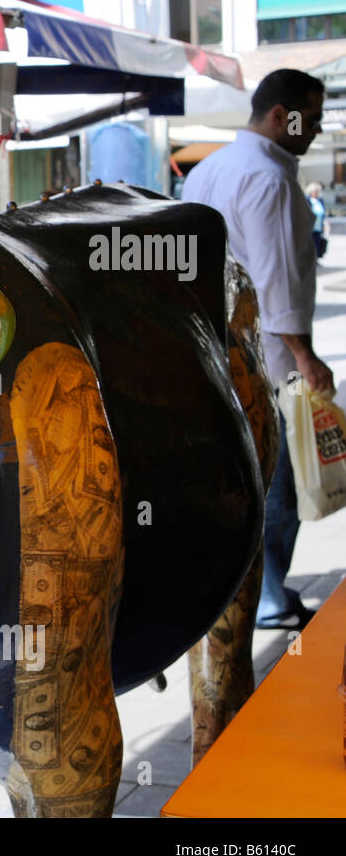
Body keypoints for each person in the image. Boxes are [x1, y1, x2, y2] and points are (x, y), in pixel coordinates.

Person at [182, 69, 336, 631]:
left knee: (239, 484)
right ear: (281, 115)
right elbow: (275, 281)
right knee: (276, 488)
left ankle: (243, 597)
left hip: (210, 356)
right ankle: (268, 597)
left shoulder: (209, 169)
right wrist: (305, 356)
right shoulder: (268, 178)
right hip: (264, 362)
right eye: (311, 118)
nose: (316, 130)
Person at [306, 182, 327, 259]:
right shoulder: (308, 200)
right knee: (311, 243)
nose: (316, 193)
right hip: (311, 226)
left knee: (318, 242)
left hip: (318, 226)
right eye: (315, 191)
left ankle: (316, 258)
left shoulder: (320, 201)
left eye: (317, 192)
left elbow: (323, 213)